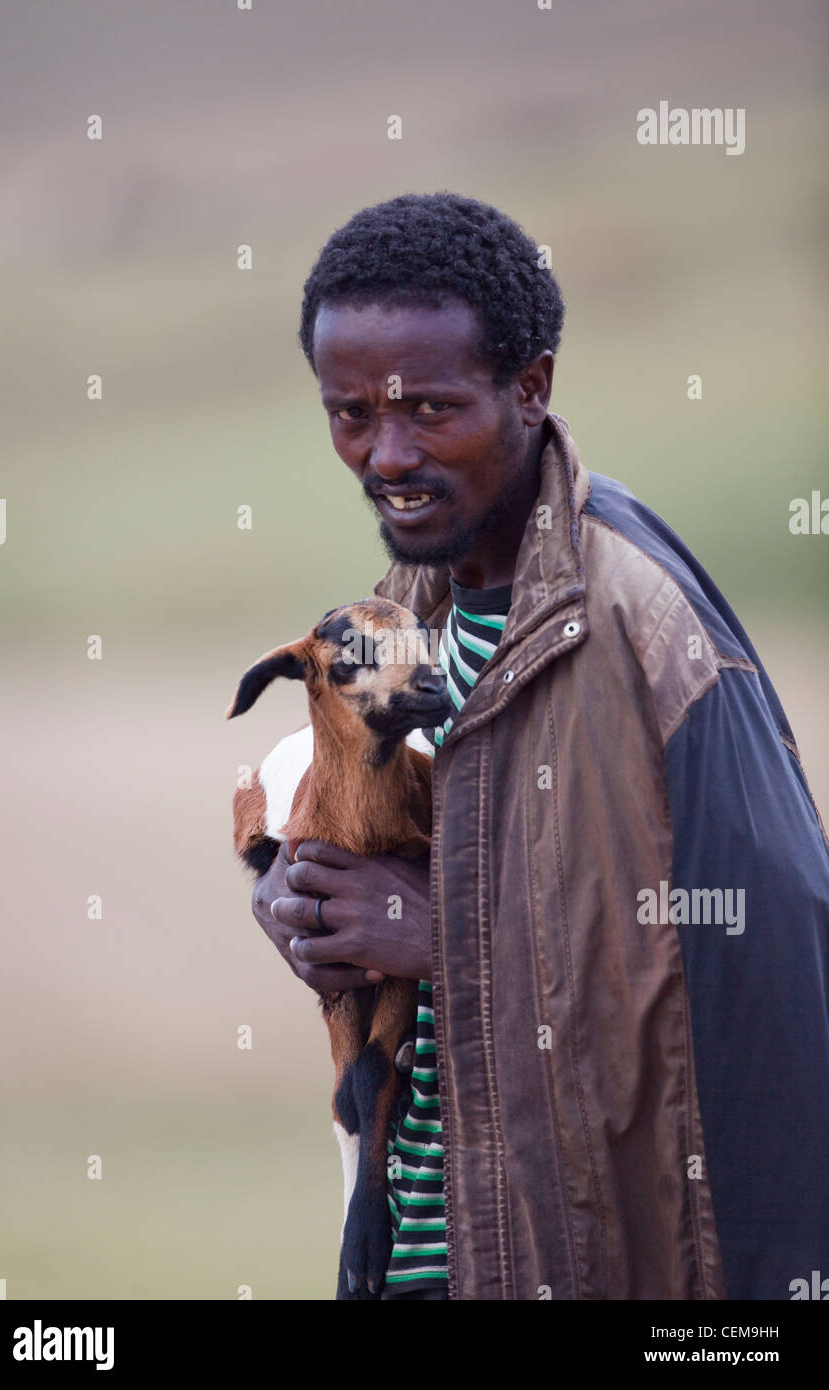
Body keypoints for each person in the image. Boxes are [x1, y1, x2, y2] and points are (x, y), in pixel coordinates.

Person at [250, 191, 829, 1300]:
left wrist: (440, 938)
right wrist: (307, 907)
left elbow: (765, 953)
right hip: (424, 1253)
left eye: (430, 407)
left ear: (530, 387)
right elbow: (413, 906)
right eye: (349, 414)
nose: (387, 453)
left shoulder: (639, 618)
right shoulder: (402, 611)